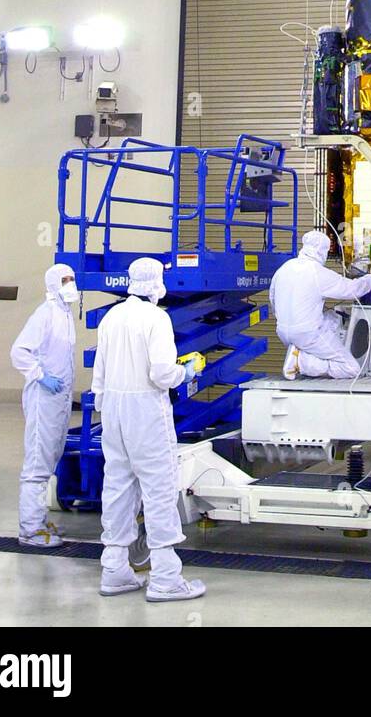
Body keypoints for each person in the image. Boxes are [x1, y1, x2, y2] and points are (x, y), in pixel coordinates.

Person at [91, 256, 205, 603]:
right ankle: (166, 577)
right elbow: (160, 372)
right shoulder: (157, 318)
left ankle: (114, 569)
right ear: (155, 282)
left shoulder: (112, 316)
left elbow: (100, 370)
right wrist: (186, 372)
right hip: (145, 410)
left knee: (118, 485)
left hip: (112, 407)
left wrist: (102, 402)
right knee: (159, 486)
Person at [11, 263, 78, 548]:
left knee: (50, 457)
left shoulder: (64, 314)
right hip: (44, 397)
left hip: (59, 399)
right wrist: (41, 376)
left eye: (72, 279)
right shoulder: (45, 314)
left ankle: (38, 520)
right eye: (65, 280)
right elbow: (19, 351)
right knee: (38, 464)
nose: (70, 284)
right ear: (53, 283)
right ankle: (30, 530)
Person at [269, 229, 371, 380]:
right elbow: (351, 289)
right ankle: (301, 361)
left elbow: (273, 300)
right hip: (307, 334)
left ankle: (298, 354)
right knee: (350, 368)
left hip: (283, 332)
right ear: (322, 250)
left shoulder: (284, 268)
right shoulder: (316, 272)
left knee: (332, 316)